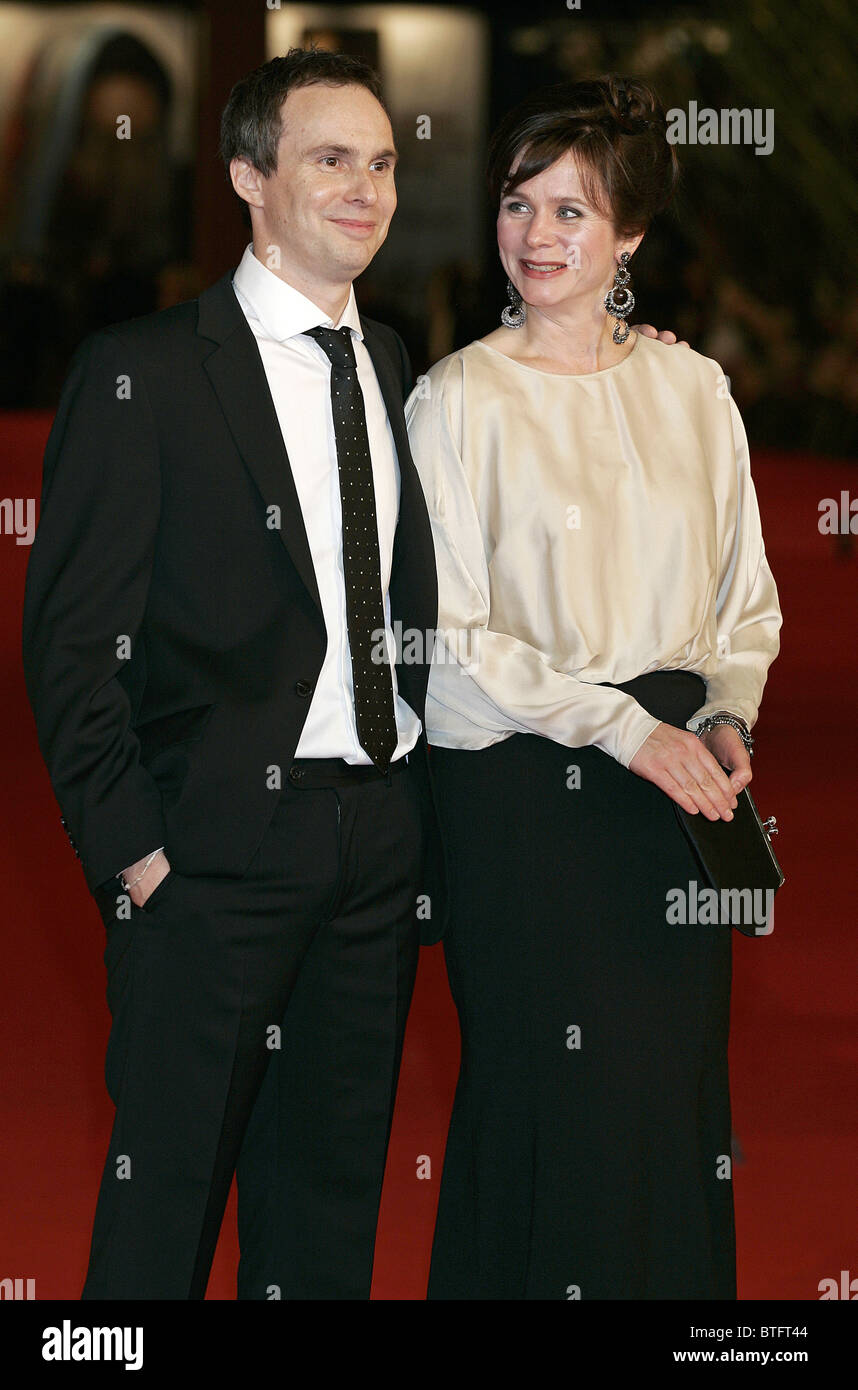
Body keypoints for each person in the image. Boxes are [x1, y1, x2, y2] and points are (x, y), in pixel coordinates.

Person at [22, 48, 443, 1300]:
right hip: (206, 860)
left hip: (373, 845)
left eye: (380, 163)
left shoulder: (397, 366)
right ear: (249, 174)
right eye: (329, 159)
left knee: (325, 1223)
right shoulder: (141, 369)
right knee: (160, 1229)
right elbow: (69, 647)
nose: (365, 189)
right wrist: (139, 861)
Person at [405, 76, 782, 1300]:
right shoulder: (455, 398)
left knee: (669, 1099)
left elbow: (746, 604)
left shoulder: (692, 391)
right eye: (519, 204)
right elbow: (452, 642)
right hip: (526, 797)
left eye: (573, 211)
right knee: (548, 1092)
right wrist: (622, 728)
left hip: (673, 797)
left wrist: (724, 713)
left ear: (627, 236)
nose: (537, 236)